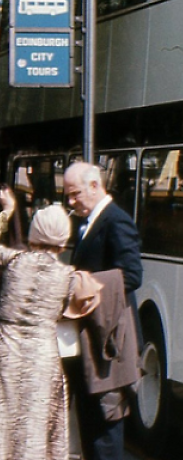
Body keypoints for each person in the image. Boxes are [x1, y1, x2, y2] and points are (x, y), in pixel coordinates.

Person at [0, 192, 98, 460]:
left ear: (35, 231)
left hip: (6, 353)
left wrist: (8, 212)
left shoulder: (12, 261)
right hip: (43, 358)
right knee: (36, 428)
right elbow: (82, 306)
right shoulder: (69, 277)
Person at [64, 162, 143, 460]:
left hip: (109, 343)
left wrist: (82, 286)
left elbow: (132, 275)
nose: (71, 203)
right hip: (93, 341)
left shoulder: (116, 221)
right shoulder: (91, 222)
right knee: (91, 430)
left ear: (95, 186)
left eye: (75, 194)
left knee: (104, 434)